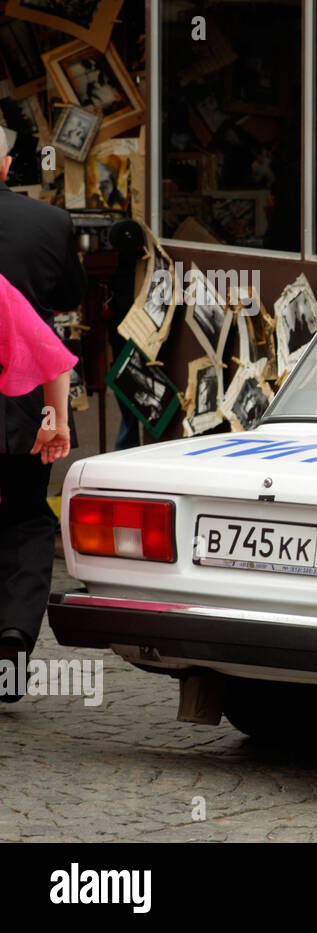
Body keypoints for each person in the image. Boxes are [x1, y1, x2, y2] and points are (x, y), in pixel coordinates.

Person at [0, 129, 87, 694]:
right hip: (24, 400)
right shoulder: (50, 223)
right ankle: (11, 637)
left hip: (30, 389)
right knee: (27, 515)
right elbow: (66, 304)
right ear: (5, 164)